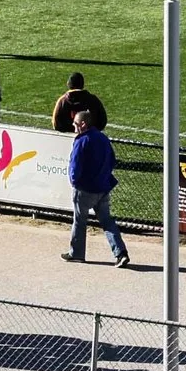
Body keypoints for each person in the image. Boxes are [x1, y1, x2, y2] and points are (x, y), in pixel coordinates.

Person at [64, 109, 130, 266]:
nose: (74, 127)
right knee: (107, 221)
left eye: (75, 124)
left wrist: (74, 182)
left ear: (83, 124)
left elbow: (75, 166)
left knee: (79, 221)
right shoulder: (103, 138)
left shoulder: (82, 141)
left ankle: (77, 253)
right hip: (103, 188)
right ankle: (121, 253)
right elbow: (112, 160)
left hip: (85, 190)